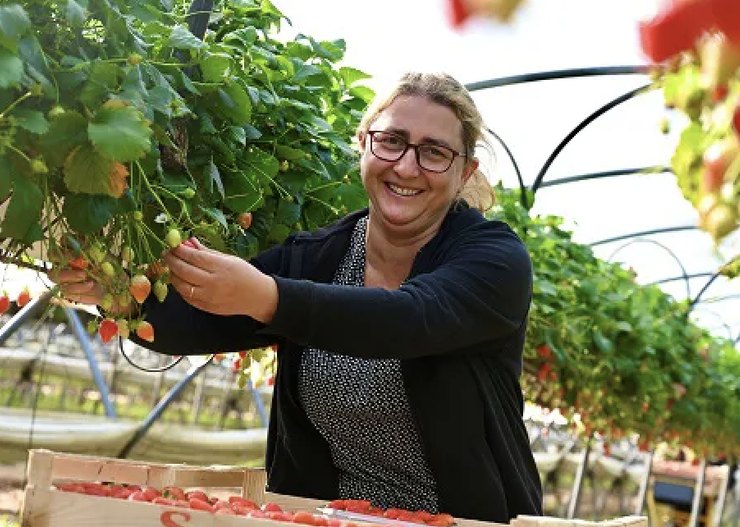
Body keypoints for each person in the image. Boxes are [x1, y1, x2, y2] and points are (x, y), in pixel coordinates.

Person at [51, 72, 544, 522]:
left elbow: (408, 319)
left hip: (459, 521)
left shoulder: (493, 260)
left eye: (434, 152)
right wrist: (118, 298)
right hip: (326, 518)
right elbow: (198, 321)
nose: (407, 166)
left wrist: (267, 297)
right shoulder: (316, 259)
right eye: (391, 141)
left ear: (465, 171)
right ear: (363, 147)